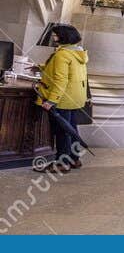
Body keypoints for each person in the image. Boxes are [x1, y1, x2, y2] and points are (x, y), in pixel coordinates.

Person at [36, 24, 89, 169]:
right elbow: (68, 73)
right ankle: (74, 159)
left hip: (63, 98)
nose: (53, 38)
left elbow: (61, 79)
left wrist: (52, 100)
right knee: (71, 128)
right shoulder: (77, 52)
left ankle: (61, 163)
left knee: (62, 131)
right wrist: (43, 67)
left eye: (55, 35)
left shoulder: (62, 54)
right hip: (75, 96)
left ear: (63, 37)